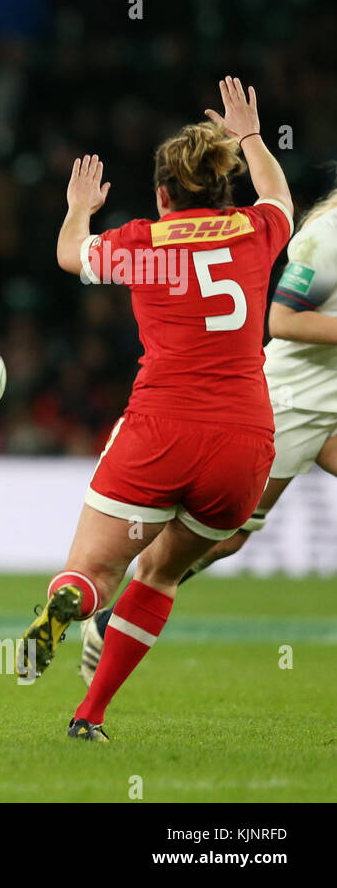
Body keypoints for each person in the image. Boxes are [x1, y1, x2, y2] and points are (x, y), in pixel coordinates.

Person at [17, 78, 293, 741]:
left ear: (163, 194)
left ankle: (68, 605)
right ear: (224, 186)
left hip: (159, 430)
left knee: (94, 571)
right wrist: (250, 135)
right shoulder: (256, 231)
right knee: (162, 572)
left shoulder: (145, 242)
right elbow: (280, 196)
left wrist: (79, 207)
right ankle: (90, 715)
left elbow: (65, 254)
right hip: (243, 440)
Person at [78, 177, 334, 686]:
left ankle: (109, 594)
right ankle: (115, 611)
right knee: (226, 538)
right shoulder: (328, 236)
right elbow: (280, 320)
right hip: (294, 401)